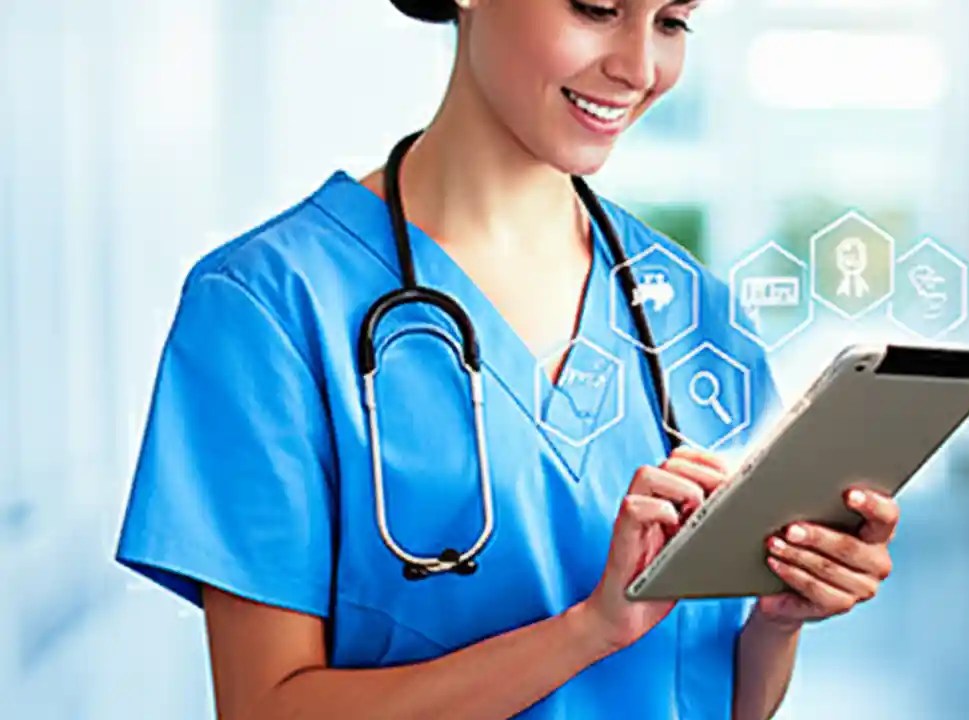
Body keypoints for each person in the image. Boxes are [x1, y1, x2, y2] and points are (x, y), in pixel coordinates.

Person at [114, 0, 901, 717]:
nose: (638, 67)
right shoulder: (271, 307)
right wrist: (588, 631)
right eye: (597, 8)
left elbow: (719, 700)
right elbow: (264, 708)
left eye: (672, 22)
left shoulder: (692, 313)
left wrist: (778, 621)